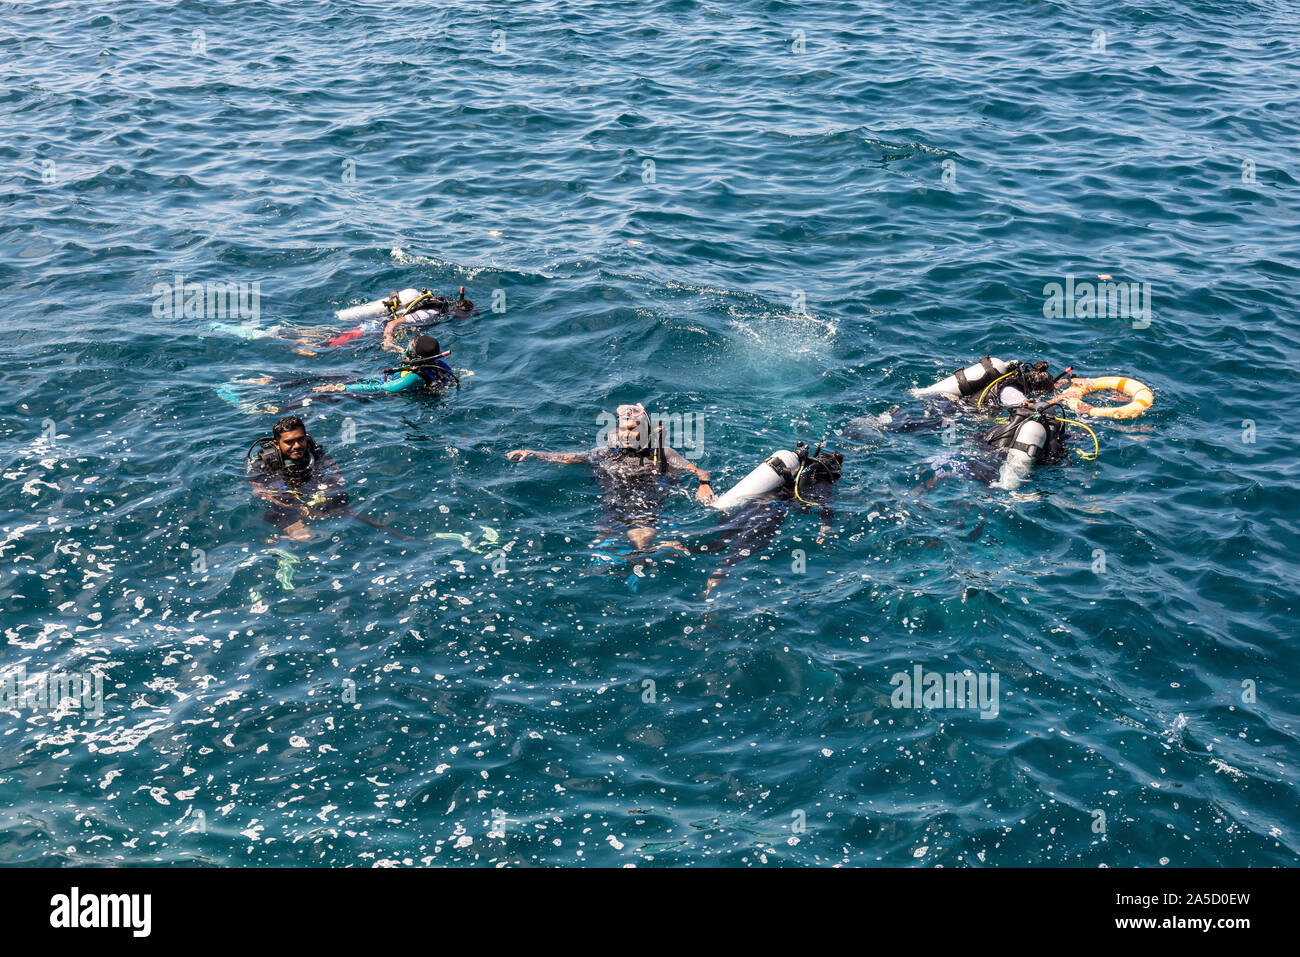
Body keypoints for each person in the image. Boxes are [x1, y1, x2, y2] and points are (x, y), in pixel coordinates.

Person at [507, 403, 713, 553]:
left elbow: (699, 471)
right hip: (613, 506)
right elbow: (571, 457)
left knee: (641, 541)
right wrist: (534, 453)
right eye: (623, 428)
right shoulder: (606, 452)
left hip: (646, 507)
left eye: (632, 429)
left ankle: (655, 551)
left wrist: (703, 485)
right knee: (602, 542)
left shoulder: (663, 453)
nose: (625, 434)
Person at [699, 442, 843, 599]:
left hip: (759, 501)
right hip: (775, 511)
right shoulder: (823, 482)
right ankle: (717, 576)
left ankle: (686, 547)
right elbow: (826, 505)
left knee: (725, 534)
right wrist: (826, 526)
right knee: (747, 547)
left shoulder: (801, 468)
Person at [247, 416, 348, 541]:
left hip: (311, 493)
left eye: (301, 439)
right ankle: (279, 542)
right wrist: (299, 508)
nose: (297, 446)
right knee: (305, 537)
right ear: (277, 444)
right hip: (285, 507)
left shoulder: (316, 454)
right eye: (289, 442)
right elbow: (259, 493)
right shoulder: (262, 464)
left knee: (346, 507)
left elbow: (337, 476)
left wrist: (324, 498)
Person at [312, 335, 459, 396]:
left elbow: (382, 388)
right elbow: (408, 359)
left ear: (418, 356)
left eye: (411, 346)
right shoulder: (438, 363)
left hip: (380, 394)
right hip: (386, 380)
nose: (408, 347)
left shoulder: (415, 378)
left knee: (326, 389)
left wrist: (343, 388)